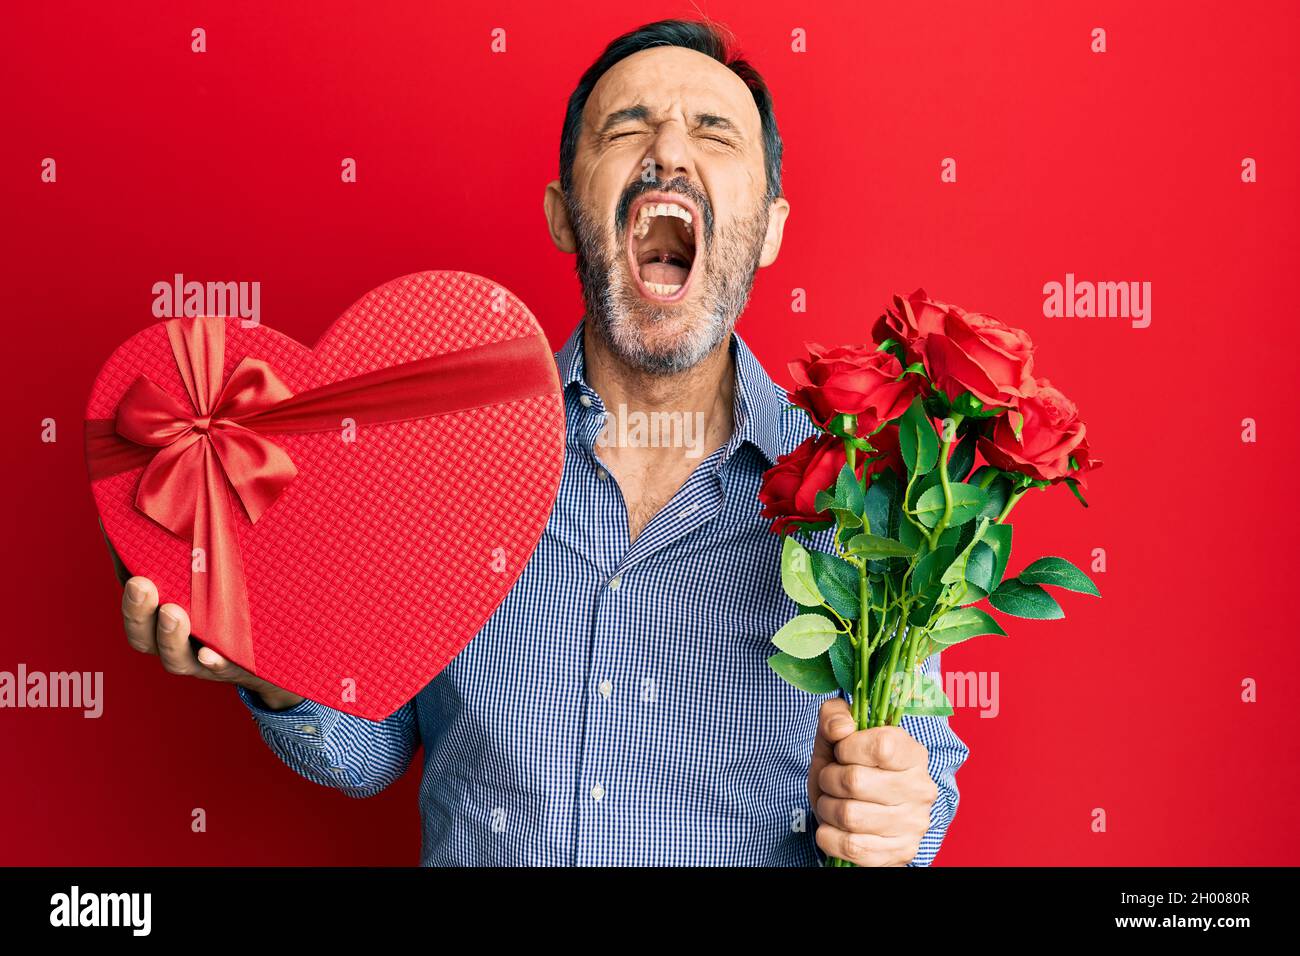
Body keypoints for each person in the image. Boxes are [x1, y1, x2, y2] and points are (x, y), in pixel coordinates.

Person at [115, 17, 968, 866]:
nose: (669, 152)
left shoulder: (858, 504)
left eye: (714, 132)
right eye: (627, 126)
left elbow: (926, 782)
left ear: (772, 227)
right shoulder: (443, 459)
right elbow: (369, 750)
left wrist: (893, 810)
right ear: (565, 215)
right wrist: (268, 664)